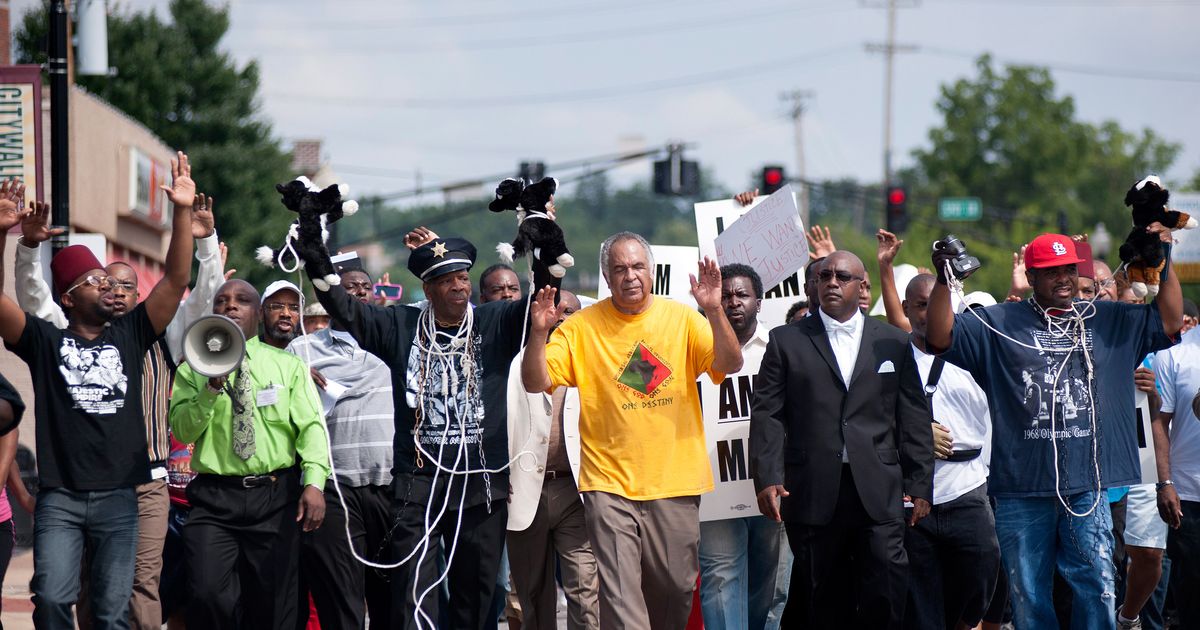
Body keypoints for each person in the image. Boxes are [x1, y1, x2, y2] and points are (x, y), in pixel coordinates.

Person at [925, 232, 1182, 630]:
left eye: (1068, 269)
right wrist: (945, 278)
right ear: (1030, 277)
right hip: (1021, 489)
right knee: (1028, 594)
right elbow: (940, 337)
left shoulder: (1106, 319)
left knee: (1097, 585)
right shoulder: (1000, 322)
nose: (1063, 278)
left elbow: (1169, 320)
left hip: (1087, 485)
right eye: (1050, 271)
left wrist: (1162, 259)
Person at [305, 226, 552, 630]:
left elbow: (544, 294)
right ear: (427, 288)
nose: (458, 286)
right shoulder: (400, 325)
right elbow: (342, 306)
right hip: (417, 485)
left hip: (480, 484)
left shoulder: (494, 321)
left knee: (477, 596)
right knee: (412, 595)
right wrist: (314, 247)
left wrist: (542, 228)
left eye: (463, 278)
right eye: (446, 280)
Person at [14, 187, 225, 630]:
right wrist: (23, 245)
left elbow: (181, 284)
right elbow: (28, 302)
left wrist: (186, 219)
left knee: (126, 600)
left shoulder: (141, 335)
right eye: (100, 282)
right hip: (65, 492)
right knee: (59, 596)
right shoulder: (52, 339)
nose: (113, 290)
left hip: (130, 490)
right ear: (70, 299)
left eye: (122, 285)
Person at [522, 231, 742, 629]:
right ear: (606, 277)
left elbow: (729, 363)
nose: (630, 276)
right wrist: (539, 335)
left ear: (651, 271)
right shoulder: (581, 327)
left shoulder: (682, 319)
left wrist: (713, 310)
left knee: (676, 589)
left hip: (674, 482)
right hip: (608, 485)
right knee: (621, 596)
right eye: (620, 269)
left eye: (638, 266)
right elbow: (536, 381)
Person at [749, 250, 933, 628]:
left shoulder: (893, 341)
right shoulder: (786, 340)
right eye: (825, 276)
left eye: (842, 277)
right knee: (825, 598)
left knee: (886, 587)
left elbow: (912, 415)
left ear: (861, 286)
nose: (832, 282)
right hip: (813, 488)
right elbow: (767, 414)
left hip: (879, 489)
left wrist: (920, 483)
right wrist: (767, 476)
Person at [169, 279, 330, 629]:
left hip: (274, 498)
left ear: (258, 313)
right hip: (214, 498)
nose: (230, 305)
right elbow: (182, 430)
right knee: (207, 594)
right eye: (222, 300)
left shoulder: (288, 366)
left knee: (273, 605)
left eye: (241, 300)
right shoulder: (192, 367)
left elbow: (312, 428)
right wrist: (211, 387)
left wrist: (315, 482)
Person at [287, 262, 395, 630]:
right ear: (330, 294)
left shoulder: (394, 337)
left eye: (365, 286)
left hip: (390, 487)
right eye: (349, 286)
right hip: (333, 488)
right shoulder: (302, 349)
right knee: (340, 601)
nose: (359, 291)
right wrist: (296, 377)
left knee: (390, 600)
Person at [897, 275, 1000, 630]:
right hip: (911, 491)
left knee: (983, 564)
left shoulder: (976, 354)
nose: (928, 313)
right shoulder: (890, 356)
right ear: (905, 308)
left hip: (966, 485)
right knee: (921, 596)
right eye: (920, 305)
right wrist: (915, 433)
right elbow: (868, 416)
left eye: (935, 304)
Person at [697, 264, 790, 630]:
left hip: (771, 486)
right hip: (714, 489)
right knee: (721, 578)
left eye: (742, 295)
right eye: (725, 296)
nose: (733, 302)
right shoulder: (693, 347)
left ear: (759, 302)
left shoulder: (782, 347)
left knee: (768, 583)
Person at [505, 289, 600, 630]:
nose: (560, 318)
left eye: (569, 311)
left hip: (575, 492)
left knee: (585, 593)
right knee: (532, 598)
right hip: (524, 492)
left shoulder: (594, 362)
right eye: (555, 311)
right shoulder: (515, 363)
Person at [1151, 325, 1200, 629]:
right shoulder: (1174, 353)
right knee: (1192, 592)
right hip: (1189, 495)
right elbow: (1159, 422)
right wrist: (1165, 482)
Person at [260, 279, 303, 349]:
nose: (286, 314)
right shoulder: (246, 351)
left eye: (294, 308)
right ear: (261, 313)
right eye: (277, 306)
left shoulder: (307, 352)